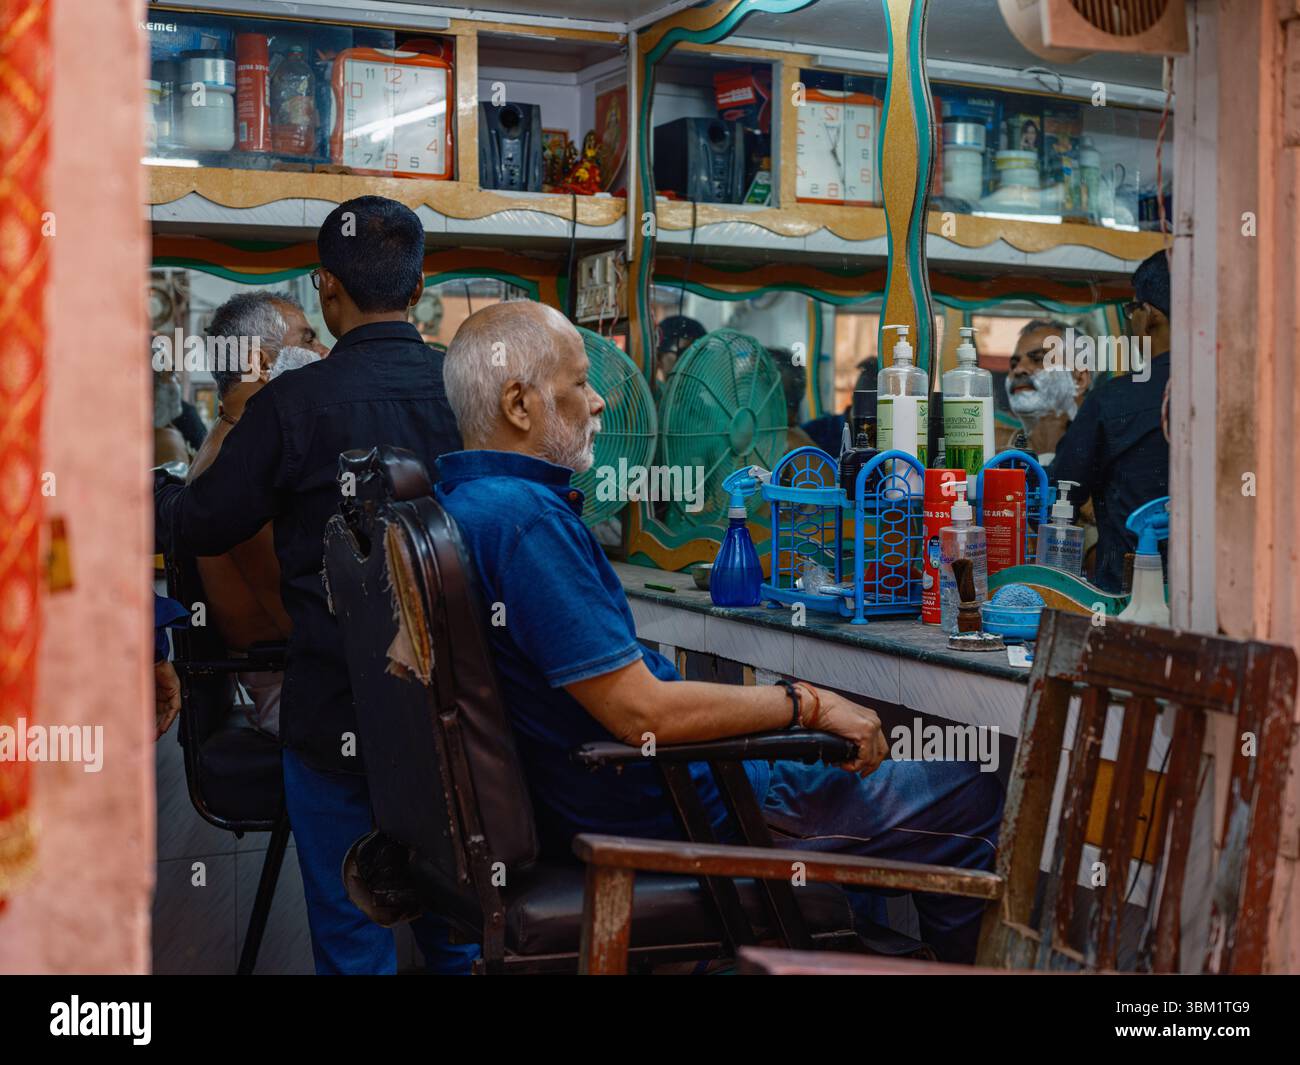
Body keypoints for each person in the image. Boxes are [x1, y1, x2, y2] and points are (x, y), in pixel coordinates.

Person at [435, 301, 1004, 963]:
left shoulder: (463, 504)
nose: (597, 403)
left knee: (880, 785)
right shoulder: (523, 519)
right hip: (686, 810)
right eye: (580, 383)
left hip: (609, 799)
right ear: (519, 403)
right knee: (968, 785)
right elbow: (640, 710)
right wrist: (806, 703)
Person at [155, 195, 475, 975]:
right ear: (420, 282)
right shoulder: (467, 393)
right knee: (461, 935)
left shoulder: (291, 405)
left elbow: (198, 524)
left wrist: (156, 483)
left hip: (337, 709)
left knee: (351, 940)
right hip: (455, 716)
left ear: (326, 287)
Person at [185, 291, 328, 736]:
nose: (323, 351)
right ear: (260, 363)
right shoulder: (237, 468)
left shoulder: (239, 441)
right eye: (308, 339)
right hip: (295, 689)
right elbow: (299, 616)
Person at [1048, 251, 1171, 593]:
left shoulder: (1114, 400)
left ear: (1149, 316)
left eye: (1132, 309)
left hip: (1127, 600)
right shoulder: (1245, 395)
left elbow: (1061, 493)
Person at [1005, 318, 1091, 463]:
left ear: (1079, 380)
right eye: (1014, 364)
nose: (1018, 370)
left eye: (1038, 360)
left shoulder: (1106, 448)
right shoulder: (996, 452)